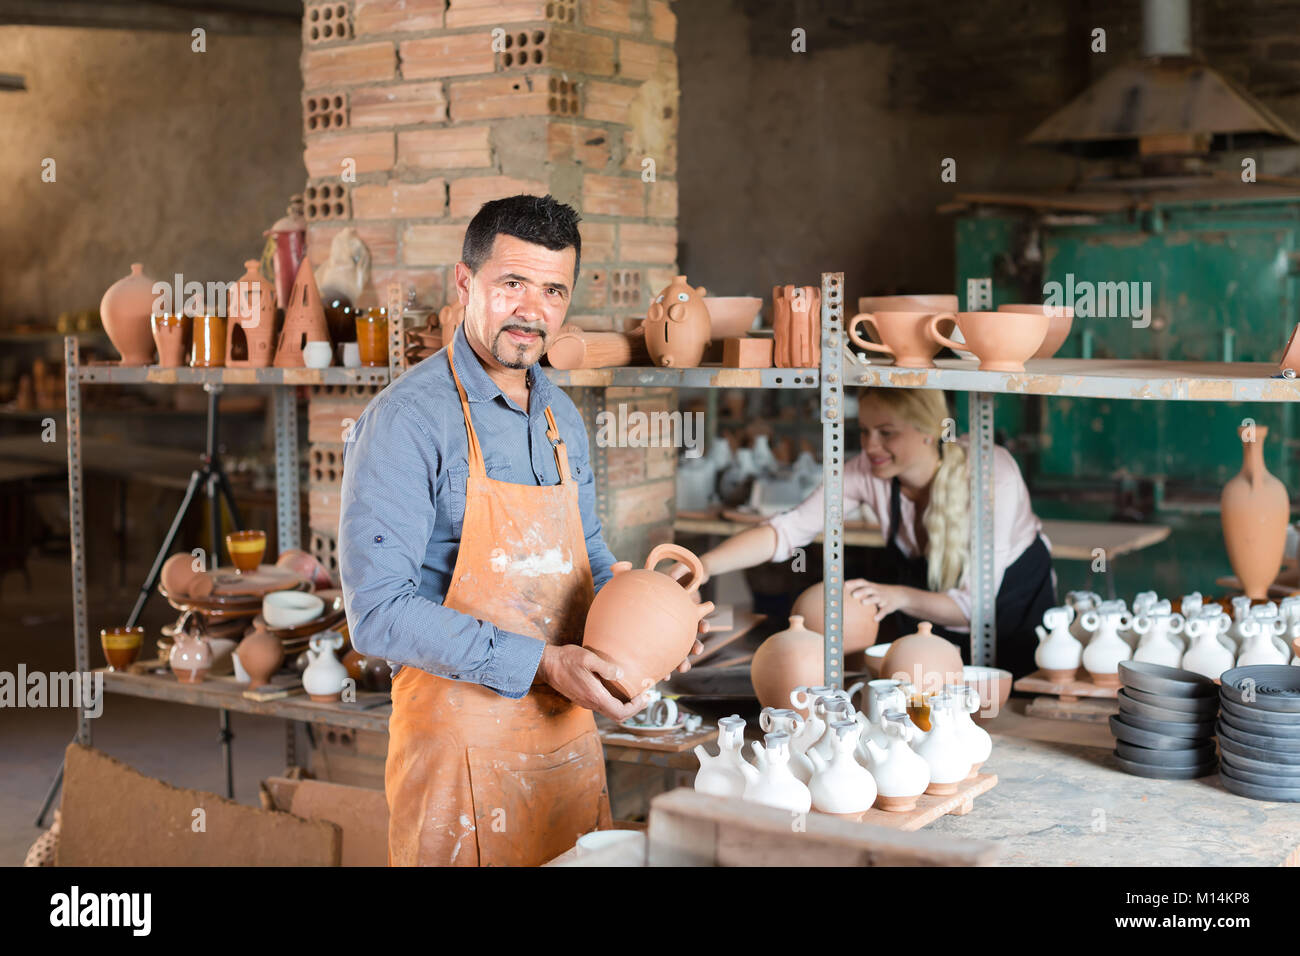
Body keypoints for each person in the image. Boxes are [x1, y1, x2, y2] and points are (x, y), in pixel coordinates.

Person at [339, 195, 702, 867]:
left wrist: (654, 617)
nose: (533, 311)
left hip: (564, 744)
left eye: (553, 290)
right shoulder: (406, 422)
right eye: (512, 284)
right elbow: (377, 615)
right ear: (464, 283)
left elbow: (585, 561)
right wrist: (544, 663)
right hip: (459, 755)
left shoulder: (561, 415)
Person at [693, 388, 1055, 678]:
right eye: (864, 431)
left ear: (929, 431)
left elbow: (972, 608)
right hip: (932, 629)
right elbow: (787, 530)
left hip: (1011, 619)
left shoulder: (992, 475)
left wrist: (896, 596)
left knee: (1005, 723)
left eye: (887, 433)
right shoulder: (866, 472)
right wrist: (702, 567)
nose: (870, 446)